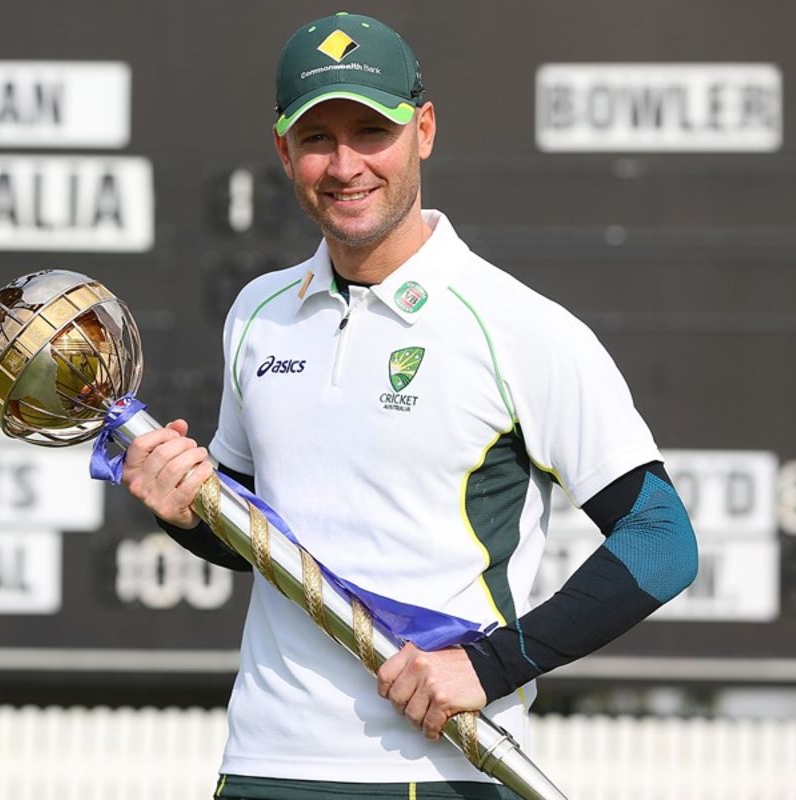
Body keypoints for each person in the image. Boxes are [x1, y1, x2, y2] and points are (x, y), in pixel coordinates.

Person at [122, 11, 698, 799]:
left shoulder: (518, 325)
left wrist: (491, 666)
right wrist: (183, 512)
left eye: (372, 131)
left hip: (444, 768)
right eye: (317, 138)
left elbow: (662, 540)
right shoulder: (258, 312)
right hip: (263, 764)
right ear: (283, 150)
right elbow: (257, 541)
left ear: (423, 130)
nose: (345, 165)